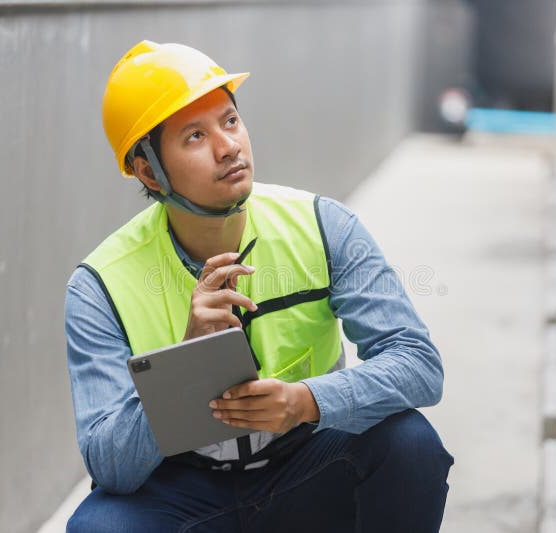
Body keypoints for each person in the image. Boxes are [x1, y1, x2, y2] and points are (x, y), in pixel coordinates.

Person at [65, 40, 453, 533]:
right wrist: (185, 365)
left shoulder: (322, 226)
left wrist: (305, 400)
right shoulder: (100, 284)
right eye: (195, 136)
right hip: (183, 492)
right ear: (149, 171)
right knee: (100, 527)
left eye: (230, 121)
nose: (228, 146)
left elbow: (418, 365)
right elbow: (111, 466)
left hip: (307, 467)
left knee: (410, 445)